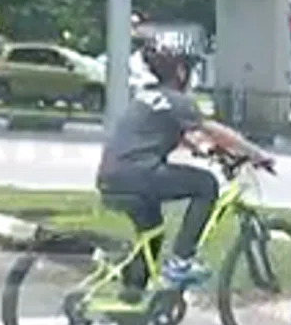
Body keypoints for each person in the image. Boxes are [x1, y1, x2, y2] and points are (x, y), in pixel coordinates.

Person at [96, 43, 274, 295]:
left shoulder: (149, 97)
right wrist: (257, 154)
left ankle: (131, 300)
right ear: (180, 72)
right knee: (206, 185)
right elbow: (212, 130)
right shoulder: (178, 101)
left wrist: (202, 149)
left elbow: (169, 133)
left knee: (152, 234)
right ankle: (181, 262)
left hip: (112, 177)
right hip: (138, 175)